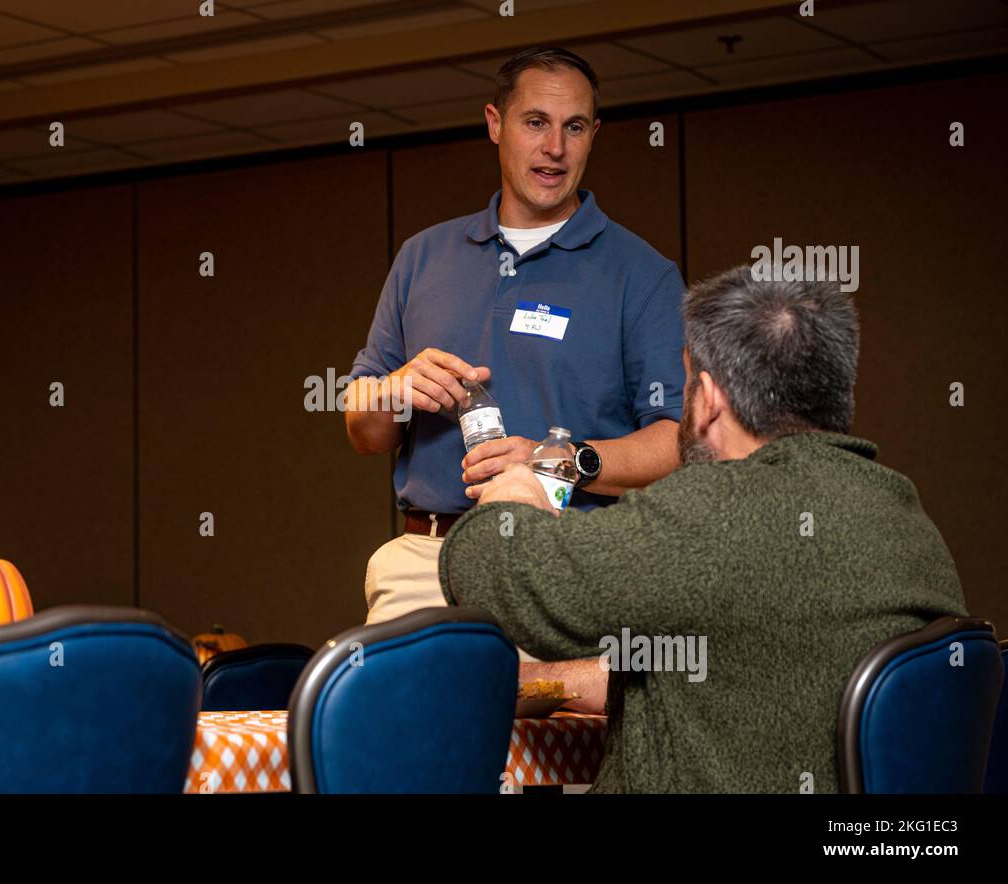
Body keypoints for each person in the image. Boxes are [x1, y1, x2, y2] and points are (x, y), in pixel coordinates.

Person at [438, 267, 968, 792]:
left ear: (709, 397)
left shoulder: (714, 509)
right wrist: (554, 681)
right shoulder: (904, 515)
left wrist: (513, 502)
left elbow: (501, 575)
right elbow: (751, 656)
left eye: (686, 380)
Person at [344, 48, 686, 651]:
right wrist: (393, 391)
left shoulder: (643, 275)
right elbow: (365, 432)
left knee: (549, 745)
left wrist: (555, 462)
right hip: (426, 563)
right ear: (495, 124)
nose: (555, 147)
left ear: (593, 136)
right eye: (535, 122)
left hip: (564, 561)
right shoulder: (423, 257)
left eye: (574, 127)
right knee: (393, 739)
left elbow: (681, 444)